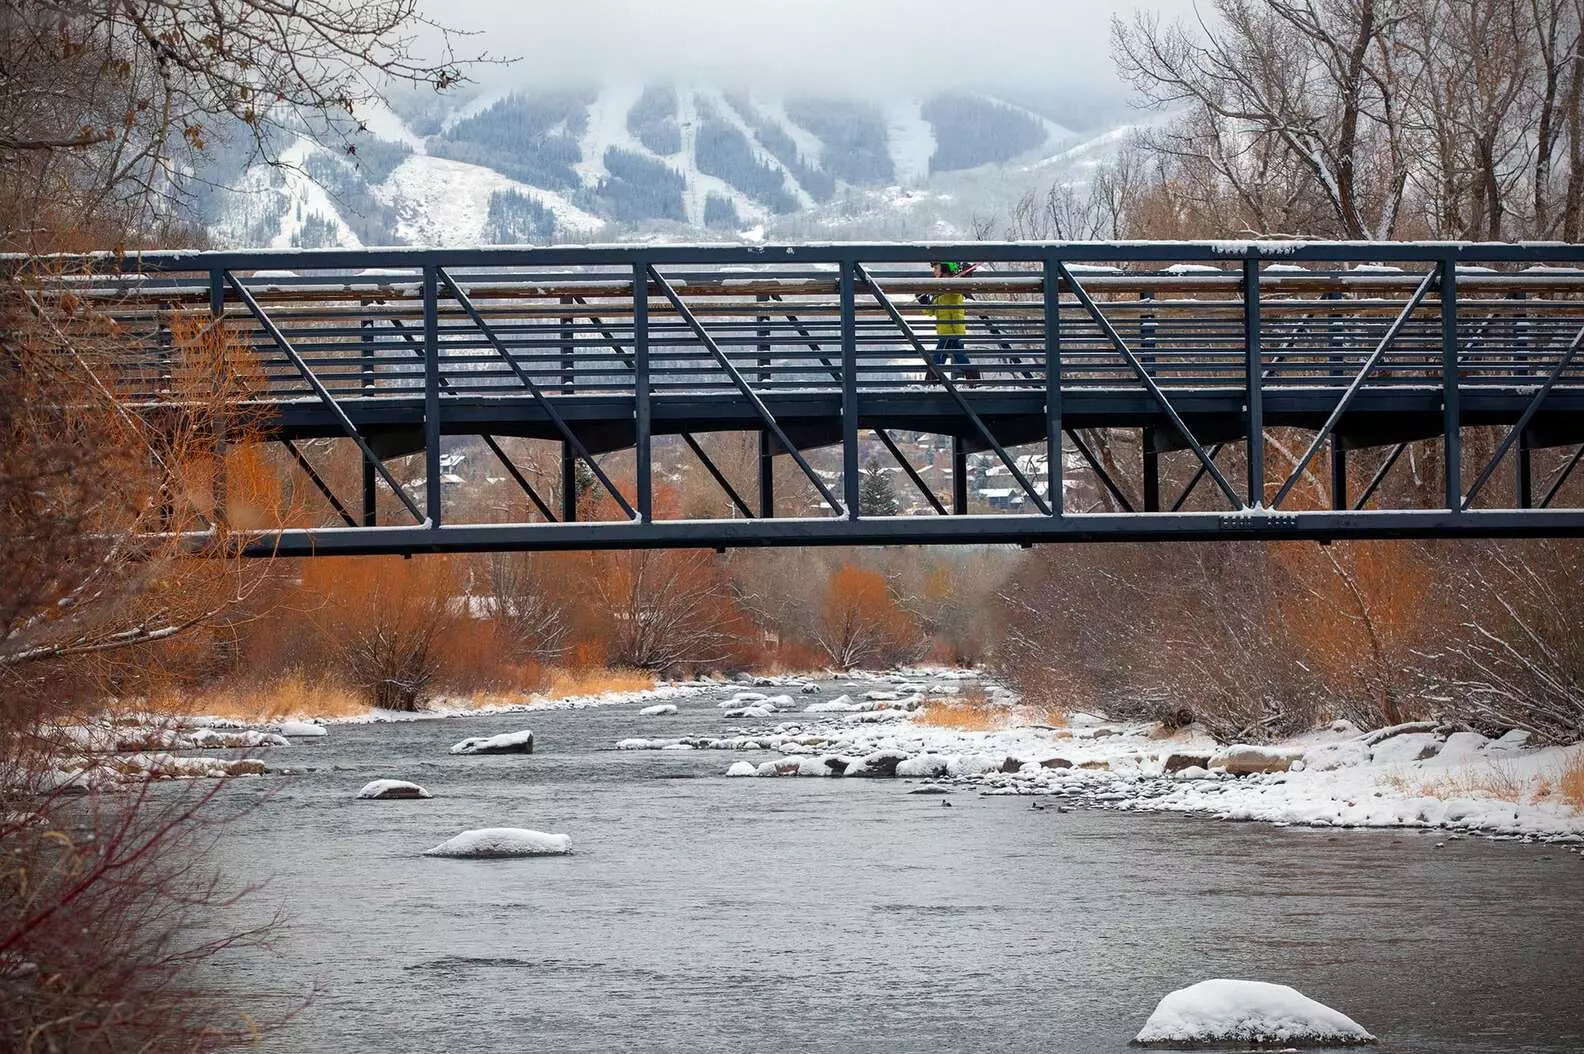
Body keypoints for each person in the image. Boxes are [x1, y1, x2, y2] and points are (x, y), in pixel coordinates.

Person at [916, 260, 978, 382]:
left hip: (951, 328)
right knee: (958, 355)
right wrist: (924, 302)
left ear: (944, 269)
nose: (934, 272)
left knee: (939, 356)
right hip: (947, 329)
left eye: (936, 268)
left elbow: (963, 288)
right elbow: (932, 311)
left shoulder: (954, 286)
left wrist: (966, 275)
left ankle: (931, 381)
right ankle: (973, 378)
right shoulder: (940, 289)